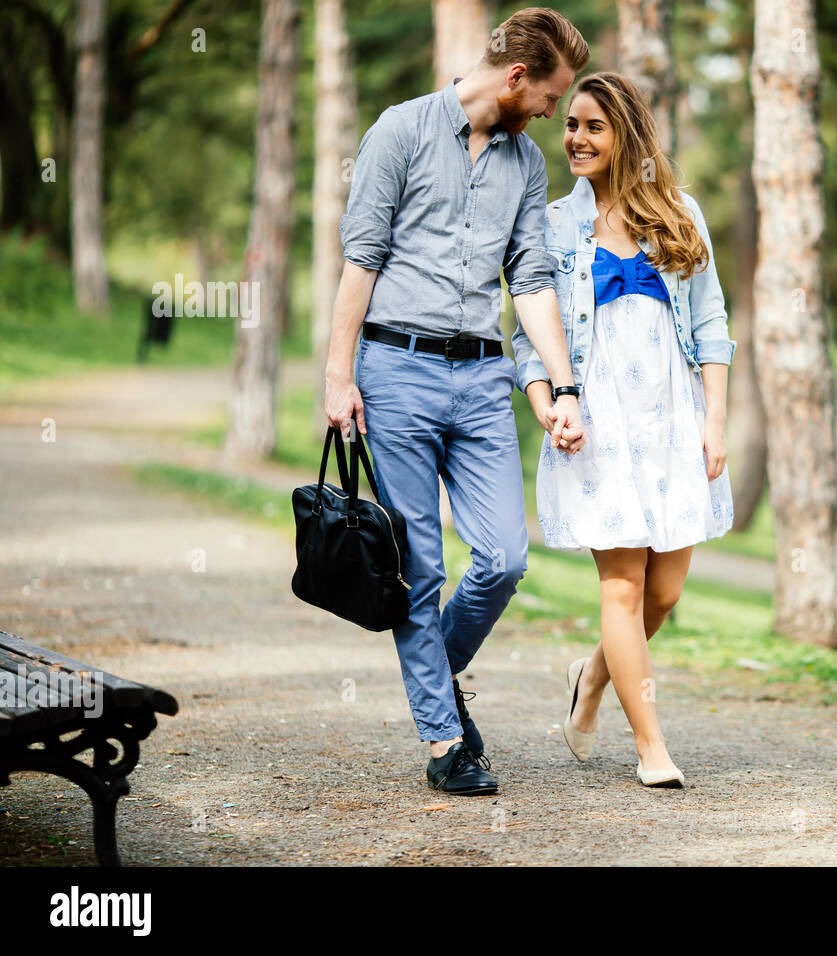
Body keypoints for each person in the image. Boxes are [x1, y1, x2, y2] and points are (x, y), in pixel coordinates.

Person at [323, 8, 590, 797]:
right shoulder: (399, 133)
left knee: (505, 557)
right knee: (422, 567)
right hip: (395, 370)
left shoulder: (526, 163)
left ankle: (433, 677)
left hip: (480, 382)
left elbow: (532, 280)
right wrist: (341, 377)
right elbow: (360, 261)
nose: (553, 113)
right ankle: (445, 740)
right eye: (550, 96)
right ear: (516, 78)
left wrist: (562, 386)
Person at [511, 73, 737, 788]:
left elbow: (710, 326)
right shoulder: (550, 224)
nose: (574, 137)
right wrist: (548, 402)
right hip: (598, 423)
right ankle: (651, 747)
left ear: (626, 135)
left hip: (673, 420)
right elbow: (527, 337)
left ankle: (592, 677)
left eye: (592, 127)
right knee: (622, 589)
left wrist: (716, 419)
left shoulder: (680, 213)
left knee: (663, 593)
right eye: (570, 124)